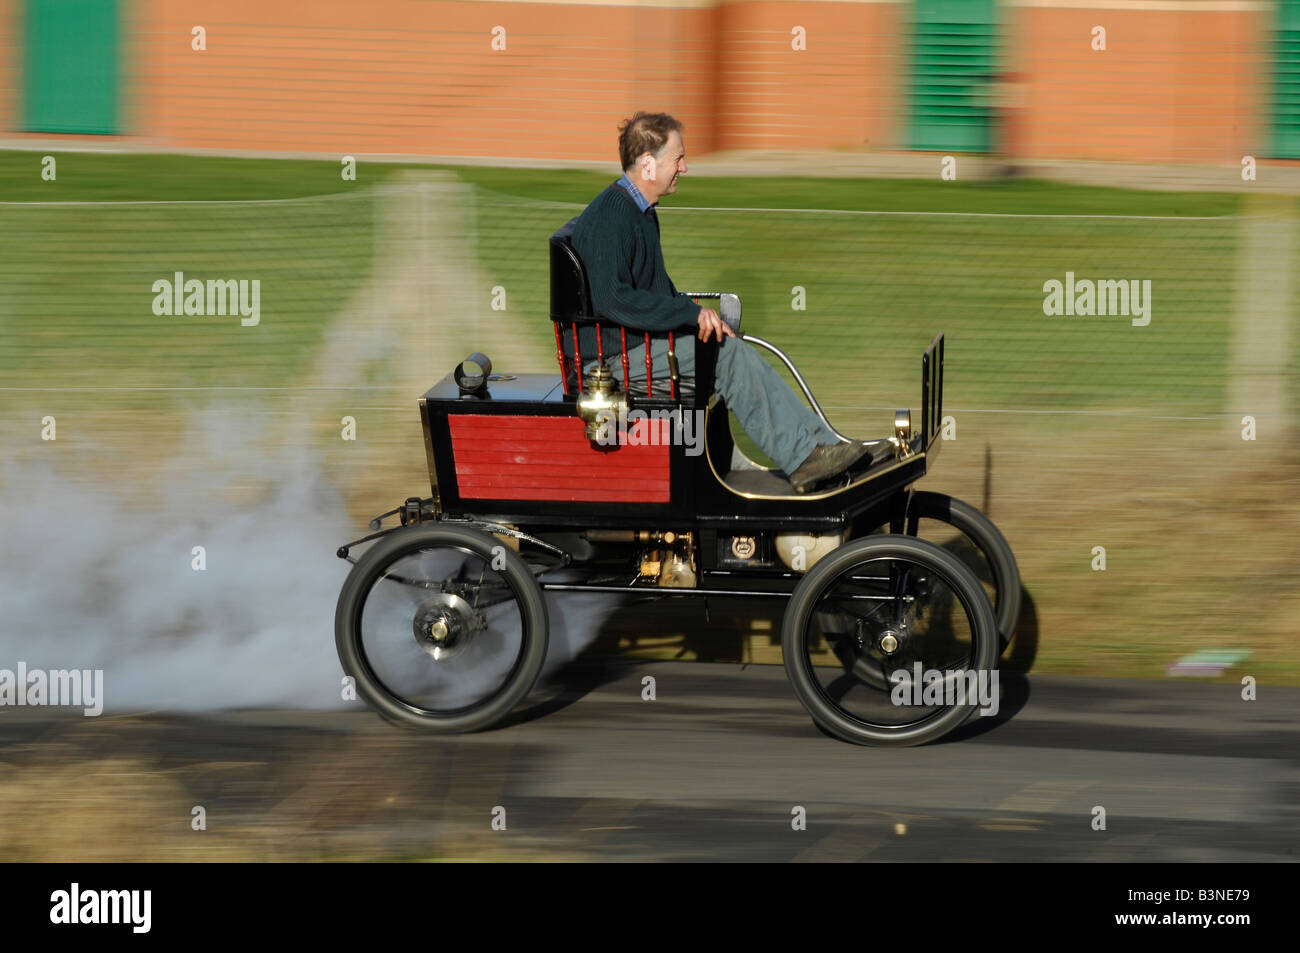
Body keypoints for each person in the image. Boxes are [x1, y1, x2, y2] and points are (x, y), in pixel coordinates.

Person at [570, 111, 868, 492]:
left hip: (632, 346)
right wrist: (690, 314)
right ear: (648, 164)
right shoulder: (612, 216)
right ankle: (805, 457)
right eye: (678, 158)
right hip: (613, 360)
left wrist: (695, 316)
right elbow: (615, 301)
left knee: (729, 344)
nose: (685, 167)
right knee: (726, 355)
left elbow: (652, 292)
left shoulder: (639, 212)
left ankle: (818, 446)